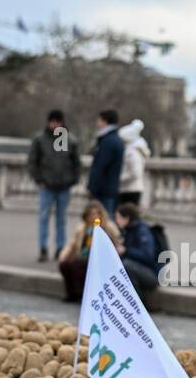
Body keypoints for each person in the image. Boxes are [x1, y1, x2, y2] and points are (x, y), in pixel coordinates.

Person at [27, 109, 81, 262]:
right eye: (53, 122)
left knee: (61, 219)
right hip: (47, 185)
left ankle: (60, 248)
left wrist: (73, 180)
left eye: (57, 122)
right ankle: (43, 247)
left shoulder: (69, 140)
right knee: (44, 217)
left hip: (64, 186)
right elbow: (32, 162)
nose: (55, 125)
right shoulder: (40, 140)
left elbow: (76, 163)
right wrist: (39, 180)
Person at [58, 200, 120, 302]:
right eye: (91, 214)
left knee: (78, 265)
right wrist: (63, 254)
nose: (94, 217)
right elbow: (72, 244)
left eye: (97, 214)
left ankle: (81, 293)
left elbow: (118, 242)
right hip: (84, 256)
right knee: (65, 264)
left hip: (101, 260)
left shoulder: (109, 227)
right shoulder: (82, 228)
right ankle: (72, 293)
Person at [114, 202, 160, 292]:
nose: (116, 221)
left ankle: (136, 303)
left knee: (126, 265)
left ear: (126, 218)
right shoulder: (128, 230)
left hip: (152, 274)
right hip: (138, 269)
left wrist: (126, 251)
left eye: (119, 217)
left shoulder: (142, 230)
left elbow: (147, 256)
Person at [87, 109, 124, 215]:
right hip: (110, 187)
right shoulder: (115, 139)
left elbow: (100, 166)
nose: (97, 123)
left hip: (102, 189)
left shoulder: (107, 141)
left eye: (99, 120)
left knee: (100, 220)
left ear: (105, 121)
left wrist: (92, 187)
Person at [117, 119, 149, 207]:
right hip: (130, 189)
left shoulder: (132, 153)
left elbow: (135, 173)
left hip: (129, 189)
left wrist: (119, 179)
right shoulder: (134, 151)